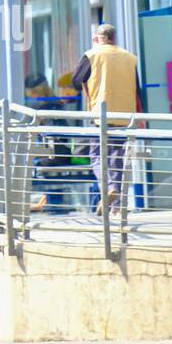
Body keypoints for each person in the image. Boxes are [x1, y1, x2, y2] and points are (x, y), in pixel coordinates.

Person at [70, 23, 143, 216]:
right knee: (117, 159)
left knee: (97, 155)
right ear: (114, 38)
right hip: (125, 115)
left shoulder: (92, 55)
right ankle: (117, 205)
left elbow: (76, 82)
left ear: (98, 38)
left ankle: (109, 187)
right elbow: (137, 89)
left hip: (100, 115)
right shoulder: (129, 57)